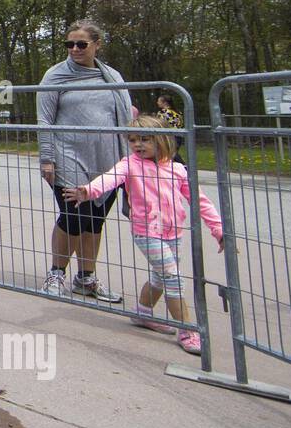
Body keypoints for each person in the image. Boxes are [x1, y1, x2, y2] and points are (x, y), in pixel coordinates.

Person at [66, 115, 224, 356]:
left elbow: (200, 201)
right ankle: (187, 330)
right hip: (146, 233)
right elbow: (109, 179)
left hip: (173, 233)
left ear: (162, 139)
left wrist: (218, 230)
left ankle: (143, 312)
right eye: (133, 140)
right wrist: (88, 191)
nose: (138, 145)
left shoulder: (178, 169)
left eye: (145, 139)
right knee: (173, 278)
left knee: (161, 278)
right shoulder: (129, 164)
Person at [38, 20, 134, 303]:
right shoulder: (55, 76)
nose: (75, 49)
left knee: (95, 219)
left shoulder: (112, 77)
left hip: (107, 158)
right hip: (67, 155)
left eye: (81, 44)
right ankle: (57, 272)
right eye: (70, 44)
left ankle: (86, 277)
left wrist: (129, 160)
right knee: (72, 216)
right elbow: (44, 119)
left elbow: (125, 117)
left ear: (97, 45)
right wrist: (47, 159)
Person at [155, 93, 185, 165]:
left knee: (171, 153)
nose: (157, 103)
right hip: (179, 135)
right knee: (173, 153)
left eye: (159, 101)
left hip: (169, 136)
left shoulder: (163, 112)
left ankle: (183, 166)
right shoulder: (178, 112)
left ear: (164, 102)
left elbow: (158, 124)